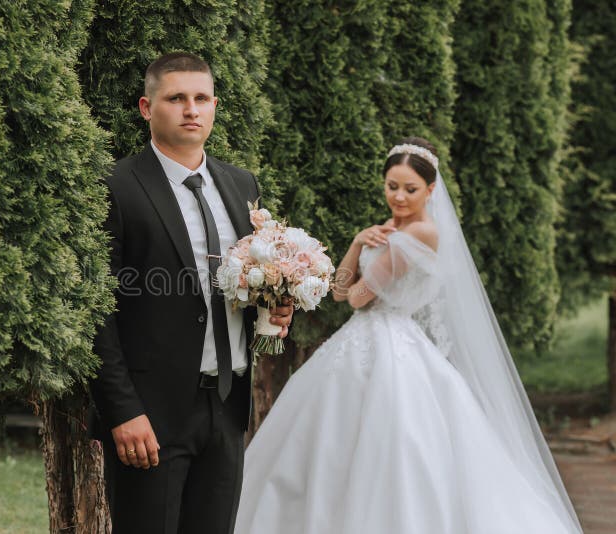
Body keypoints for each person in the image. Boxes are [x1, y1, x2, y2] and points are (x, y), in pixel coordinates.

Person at [234, 137, 583, 534]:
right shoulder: (389, 231)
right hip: (367, 337)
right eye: (392, 186)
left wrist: (365, 253)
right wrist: (356, 242)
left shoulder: (418, 235)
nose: (398, 196)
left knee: (394, 444)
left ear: (431, 191)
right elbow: (338, 290)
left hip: (389, 339)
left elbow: (357, 298)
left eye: (410, 189)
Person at [91, 52, 293, 534]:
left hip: (226, 405)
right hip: (151, 414)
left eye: (201, 98)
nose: (191, 109)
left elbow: (251, 281)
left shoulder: (242, 185)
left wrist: (279, 305)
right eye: (175, 98)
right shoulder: (115, 187)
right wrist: (123, 411)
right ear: (146, 107)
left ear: (215, 105)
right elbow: (97, 313)